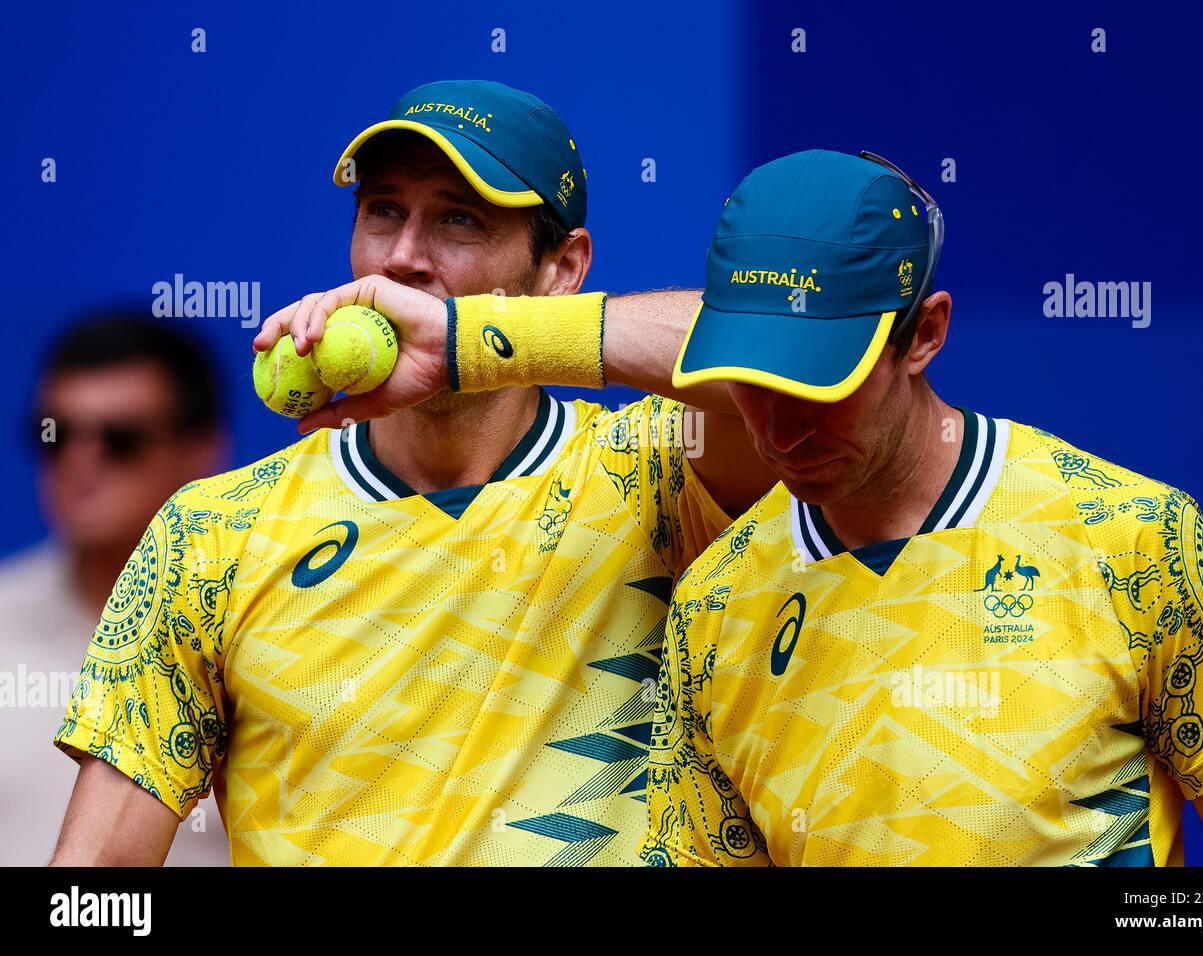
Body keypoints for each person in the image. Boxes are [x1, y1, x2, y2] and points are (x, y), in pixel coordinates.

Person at [50, 80, 772, 866]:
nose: (402, 256)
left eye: (459, 219)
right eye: (383, 210)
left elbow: (785, 365)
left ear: (562, 268)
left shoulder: (656, 471)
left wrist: (472, 341)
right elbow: (94, 880)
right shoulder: (212, 533)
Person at [636, 149, 1203, 866]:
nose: (778, 432)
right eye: (750, 382)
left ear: (925, 334)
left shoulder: (1136, 542)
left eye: (821, 382)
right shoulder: (712, 608)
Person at [0, 311, 230, 865]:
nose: (81, 462)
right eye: (56, 435)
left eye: (121, 439)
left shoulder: (271, 632)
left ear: (201, 450)